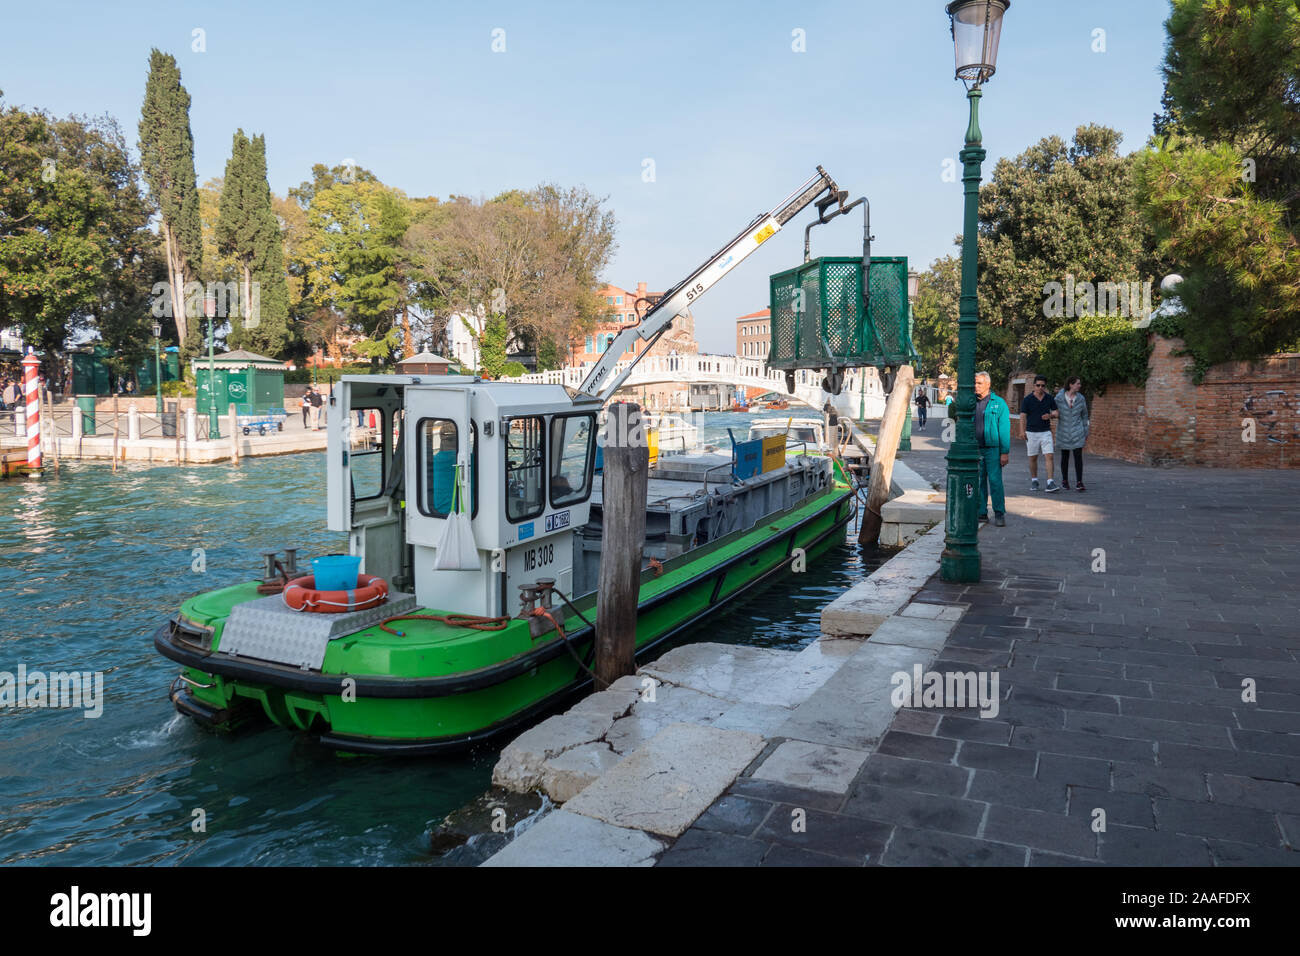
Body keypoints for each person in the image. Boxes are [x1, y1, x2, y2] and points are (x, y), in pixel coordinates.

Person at [974, 371, 1011, 526]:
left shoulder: (999, 403)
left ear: (988, 384)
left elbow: (1004, 429)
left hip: (993, 450)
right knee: (979, 481)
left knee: (995, 481)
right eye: (975, 383)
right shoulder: (970, 402)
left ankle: (999, 513)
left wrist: (1004, 452)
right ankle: (981, 512)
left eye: (979, 383)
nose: (976, 386)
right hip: (976, 449)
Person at [1020, 374, 1060, 492]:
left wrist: (1050, 415)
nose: (1040, 387)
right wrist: (1022, 431)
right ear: (1034, 385)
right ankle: (1034, 480)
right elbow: (1023, 416)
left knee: (1050, 455)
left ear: (1045, 386)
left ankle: (1050, 482)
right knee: (1033, 458)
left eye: (1043, 385)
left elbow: (1057, 413)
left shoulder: (1049, 398)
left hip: (1045, 431)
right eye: (1038, 385)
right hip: (1031, 432)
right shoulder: (1027, 399)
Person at [1055, 376, 1090, 491]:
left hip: (1078, 432)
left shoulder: (1081, 399)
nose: (1080, 385)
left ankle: (1079, 482)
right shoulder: (1059, 398)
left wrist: (1085, 431)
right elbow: (1053, 411)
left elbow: (1084, 415)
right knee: (1064, 457)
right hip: (1063, 431)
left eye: (1080, 384)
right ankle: (1065, 480)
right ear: (1071, 384)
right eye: (1078, 383)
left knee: (1078, 457)